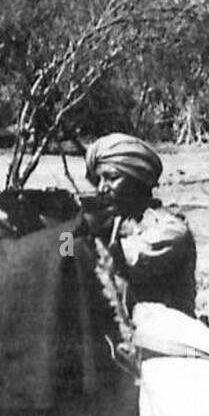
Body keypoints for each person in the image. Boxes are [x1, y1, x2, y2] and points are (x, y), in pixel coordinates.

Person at [80, 133, 197, 318]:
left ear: (137, 180)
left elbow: (115, 260)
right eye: (99, 180)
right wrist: (64, 232)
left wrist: (77, 229)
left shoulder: (171, 231)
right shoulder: (118, 221)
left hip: (164, 340)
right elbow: (68, 260)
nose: (102, 188)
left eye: (111, 178)